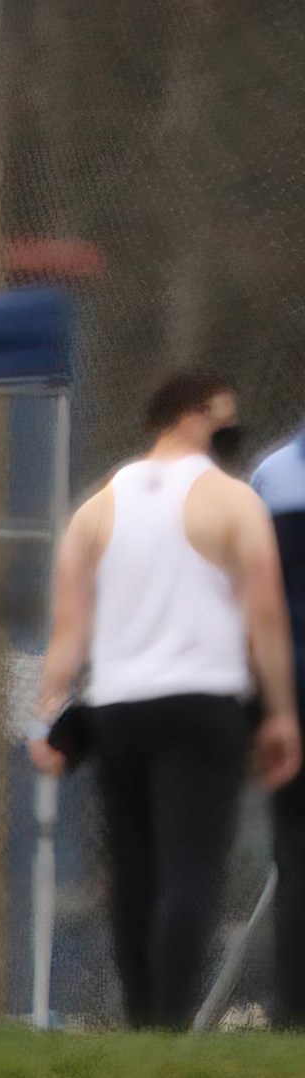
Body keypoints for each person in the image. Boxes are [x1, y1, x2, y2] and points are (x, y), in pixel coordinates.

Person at [30, 373, 301, 1029]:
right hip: (204, 701)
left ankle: (140, 1016)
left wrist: (48, 713)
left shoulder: (96, 508)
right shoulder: (233, 502)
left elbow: (69, 628)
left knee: (133, 870)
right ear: (192, 417)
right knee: (192, 865)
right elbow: (264, 618)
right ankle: (169, 1024)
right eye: (225, 420)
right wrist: (281, 712)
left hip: (119, 706)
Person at [253, 421, 305, 1028]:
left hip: (293, 691)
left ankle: (293, 1013)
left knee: (295, 857)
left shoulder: (272, 475)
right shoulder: (269, 475)